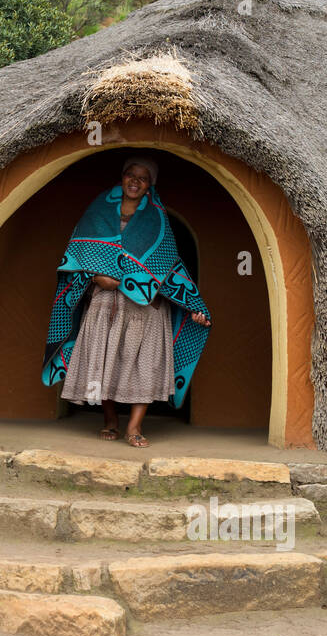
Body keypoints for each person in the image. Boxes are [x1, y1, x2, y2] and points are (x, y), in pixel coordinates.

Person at [40, 157, 211, 448]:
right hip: (105, 304)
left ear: (150, 186)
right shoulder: (98, 210)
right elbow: (76, 257)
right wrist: (95, 277)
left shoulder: (156, 220)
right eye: (130, 175)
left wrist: (195, 306)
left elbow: (168, 266)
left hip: (146, 309)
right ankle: (110, 420)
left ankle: (134, 426)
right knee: (103, 361)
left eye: (142, 178)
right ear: (121, 178)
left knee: (144, 365)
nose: (135, 181)